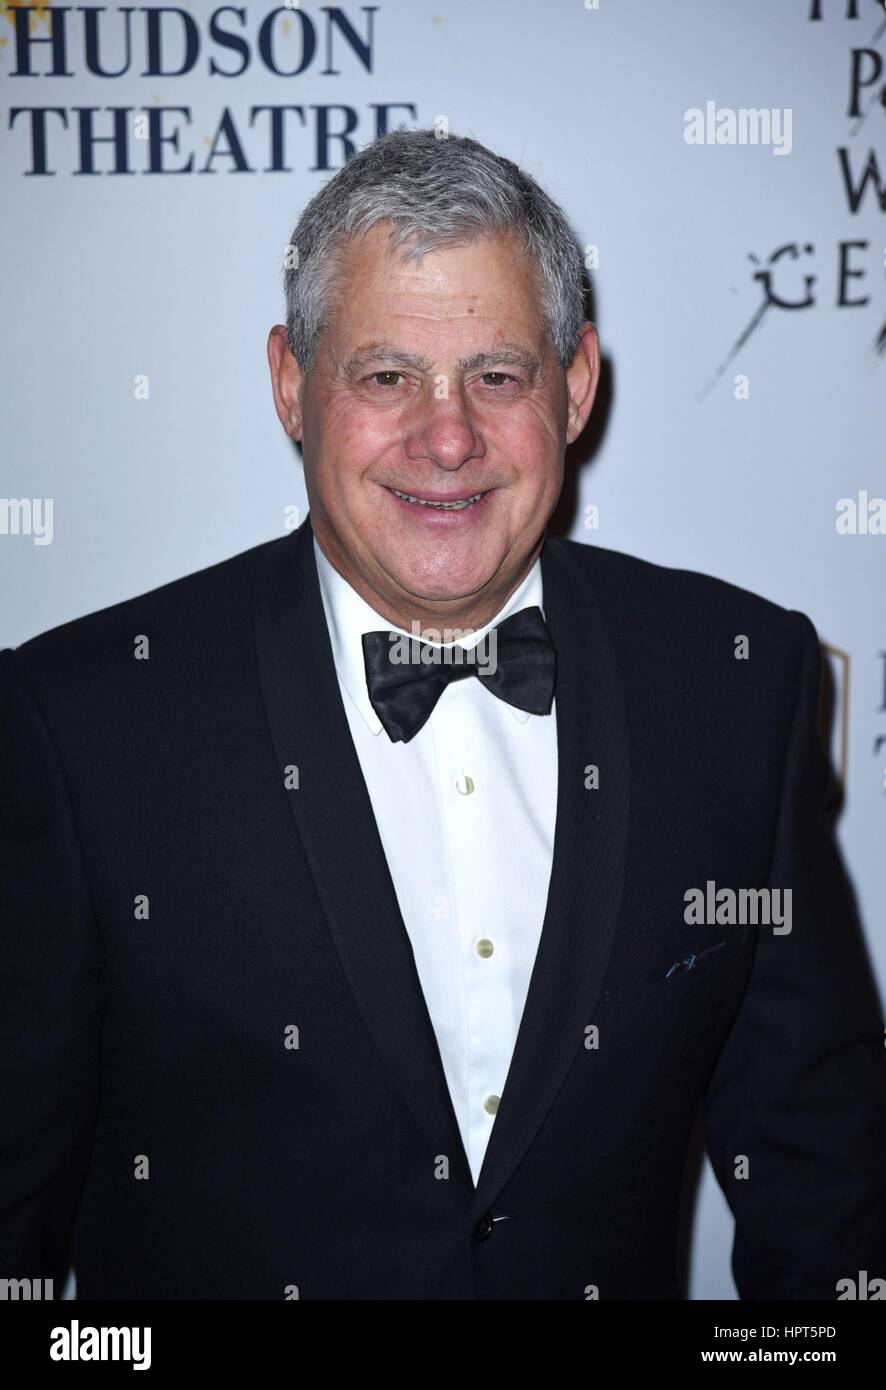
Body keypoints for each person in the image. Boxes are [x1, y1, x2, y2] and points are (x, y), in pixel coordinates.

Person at [2, 128, 884, 1301]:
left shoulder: (733, 683)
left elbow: (820, 1181)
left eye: (496, 374)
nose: (449, 434)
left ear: (573, 386)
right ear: (289, 383)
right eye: (385, 376)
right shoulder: (84, 717)